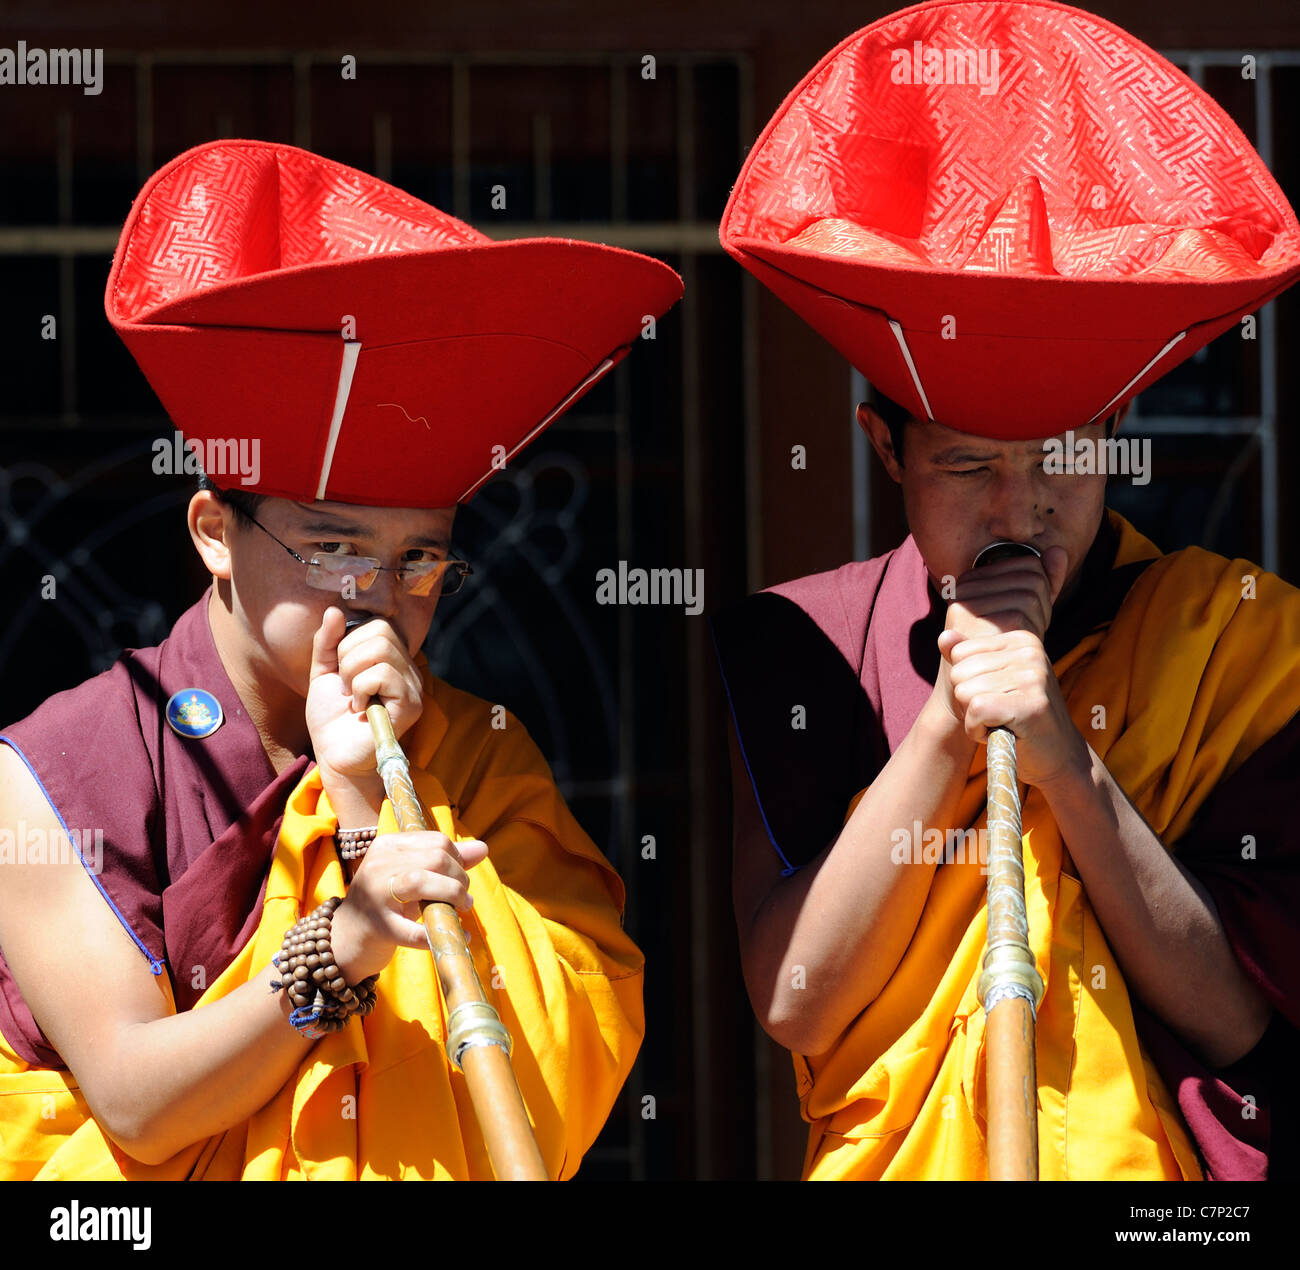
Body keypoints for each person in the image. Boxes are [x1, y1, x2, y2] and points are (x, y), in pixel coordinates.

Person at [0, 138, 683, 1180]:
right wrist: (344, 943)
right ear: (214, 532)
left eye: (418, 560)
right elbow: (136, 1104)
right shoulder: (60, 767)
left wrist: (367, 801)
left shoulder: (481, 761)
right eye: (332, 548)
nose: (374, 595)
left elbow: (556, 1072)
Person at [713, 2, 1300, 1180]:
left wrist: (1058, 755)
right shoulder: (810, 642)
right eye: (968, 465)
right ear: (886, 450)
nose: (1020, 512)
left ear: (1115, 430)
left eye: (1060, 462)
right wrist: (945, 724)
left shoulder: (1233, 639)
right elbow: (794, 999)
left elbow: (1241, 1016)